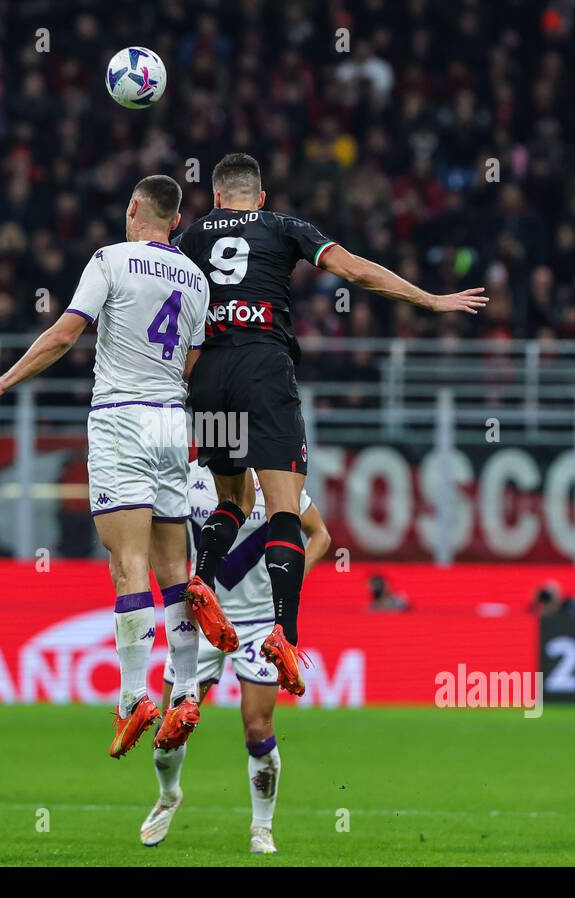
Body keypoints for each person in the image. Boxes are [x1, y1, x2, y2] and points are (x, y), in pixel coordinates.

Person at [176, 152, 486, 697]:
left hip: (211, 373)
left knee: (231, 501)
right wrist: (429, 300)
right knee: (283, 510)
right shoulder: (284, 227)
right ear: (261, 197)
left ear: (218, 196)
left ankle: (200, 578)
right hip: (263, 371)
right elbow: (357, 271)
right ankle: (284, 632)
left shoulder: (195, 237)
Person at [0, 175, 212, 757]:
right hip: (173, 422)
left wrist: (3, 381)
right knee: (177, 566)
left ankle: (130, 698)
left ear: (133, 210)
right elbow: (194, 360)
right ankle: (189, 688)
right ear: (175, 222)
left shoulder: (110, 260)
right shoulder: (196, 278)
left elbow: (65, 334)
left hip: (121, 417)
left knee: (128, 560)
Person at [143, 461, 330, 854]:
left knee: (258, 729)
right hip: (202, 622)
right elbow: (161, 538)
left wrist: (290, 584)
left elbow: (320, 536)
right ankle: (169, 794)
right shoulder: (188, 477)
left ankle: (261, 828)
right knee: (168, 731)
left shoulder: (275, 480)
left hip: (260, 623)